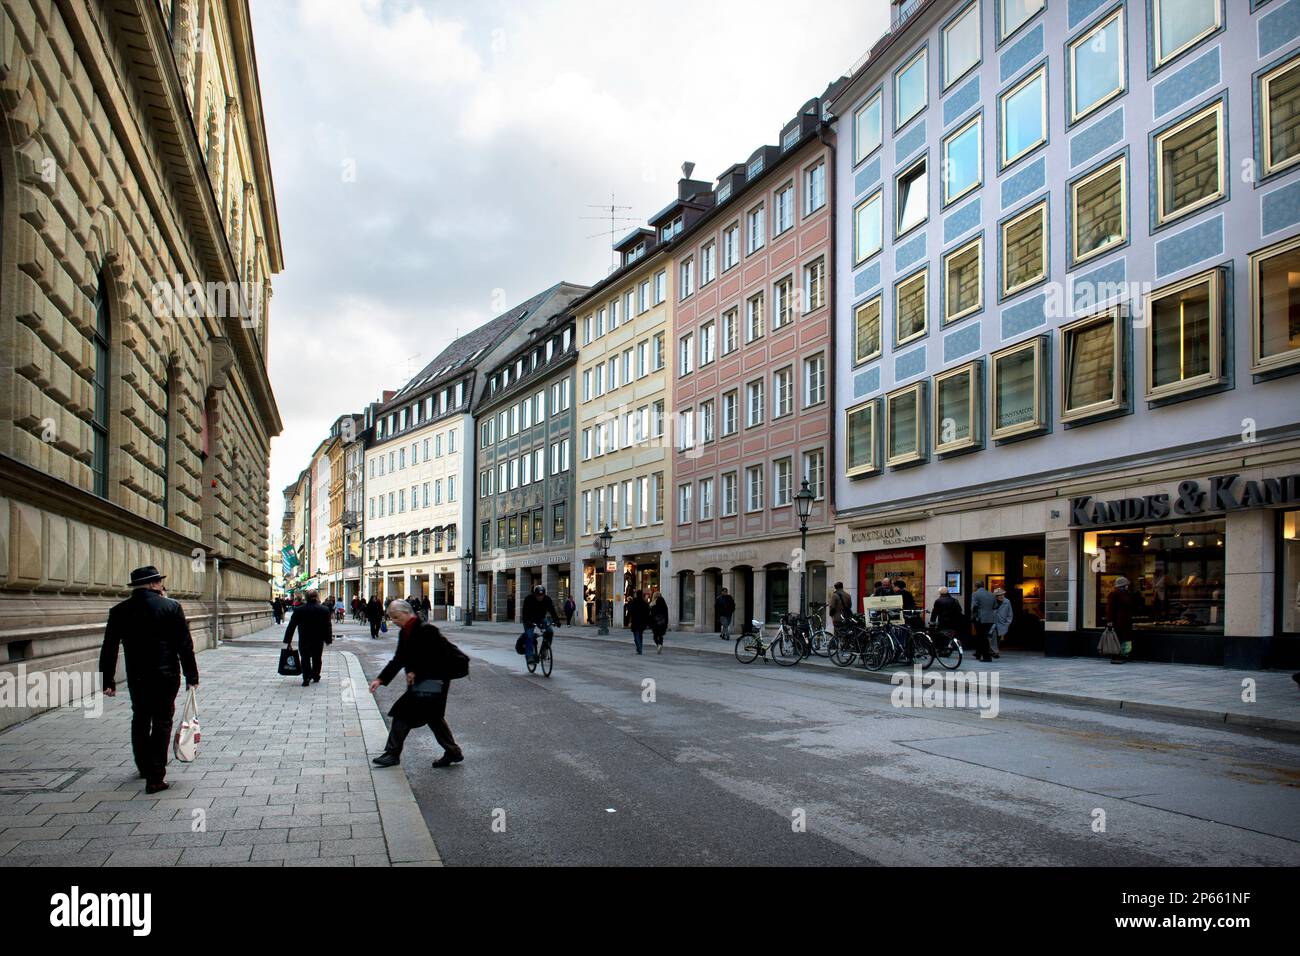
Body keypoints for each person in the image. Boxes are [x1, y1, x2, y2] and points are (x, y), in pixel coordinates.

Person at [99, 566, 199, 794]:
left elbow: (110, 648)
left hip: (137, 676)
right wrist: (191, 675)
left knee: (141, 718)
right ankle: (156, 777)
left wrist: (107, 679)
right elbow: (184, 645)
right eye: (160, 583)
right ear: (154, 584)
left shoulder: (120, 611)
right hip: (166, 676)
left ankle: (144, 766)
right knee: (163, 721)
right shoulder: (171, 607)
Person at [369, 601, 464, 768]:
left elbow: (437, 658)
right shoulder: (405, 632)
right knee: (433, 717)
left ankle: (392, 754)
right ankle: (453, 752)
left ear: (407, 613)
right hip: (425, 681)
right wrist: (380, 679)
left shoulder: (427, 630)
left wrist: (416, 671)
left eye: (396, 617)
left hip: (434, 681)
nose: (394, 621)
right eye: (392, 618)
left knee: (402, 712)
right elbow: (399, 659)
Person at [283, 589, 333, 685]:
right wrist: (328, 639)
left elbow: (291, 626)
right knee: (317, 658)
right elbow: (328, 626)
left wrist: (288, 640)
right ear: (317, 597)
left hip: (304, 638)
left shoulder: (299, 610)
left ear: (305, 598)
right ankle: (315, 675)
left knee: (305, 658)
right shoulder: (324, 610)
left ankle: (306, 677)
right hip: (318, 639)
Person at [521, 584, 561, 664]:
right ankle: (529, 656)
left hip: (541, 619)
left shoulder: (547, 599)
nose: (540, 597)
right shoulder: (529, 599)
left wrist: (556, 620)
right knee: (529, 636)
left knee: (549, 631)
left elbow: (552, 610)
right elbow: (524, 613)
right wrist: (527, 622)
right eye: (538, 595)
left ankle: (544, 649)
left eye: (542, 595)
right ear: (535, 594)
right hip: (529, 620)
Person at [1106, 576, 1134, 664]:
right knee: (1118, 638)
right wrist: (1110, 621)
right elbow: (1110, 608)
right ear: (1123, 585)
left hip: (1125, 621)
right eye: (1126, 585)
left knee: (1125, 638)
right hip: (1118, 621)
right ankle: (1116, 656)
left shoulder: (1125, 594)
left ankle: (1124, 654)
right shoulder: (1114, 594)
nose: (1128, 586)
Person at [969, 582, 996, 663]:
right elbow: (995, 606)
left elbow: (974, 606)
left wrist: (974, 616)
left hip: (980, 618)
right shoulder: (991, 594)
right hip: (990, 619)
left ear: (976, 586)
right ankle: (978, 653)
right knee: (982, 636)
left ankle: (986, 657)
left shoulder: (975, 594)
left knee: (982, 637)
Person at [989, 588, 1012, 659]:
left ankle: (993, 651)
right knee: (993, 636)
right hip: (992, 622)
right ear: (996, 596)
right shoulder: (991, 602)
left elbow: (1010, 613)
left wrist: (1007, 623)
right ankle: (995, 652)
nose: (1001, 596)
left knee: (998, 638)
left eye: (1002, 594)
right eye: (999, 595)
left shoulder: (1007, 601)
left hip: (1002, 623)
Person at [627, 589, 650, 655]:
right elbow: (647, 613)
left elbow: (631, 611)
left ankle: (639, 648)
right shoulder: (644, 603)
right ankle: (640, 648)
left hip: (635, 621)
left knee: (636, 636)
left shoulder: (634, 602)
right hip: (642, 622)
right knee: (640, 635)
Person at [649, 587, 669, 654]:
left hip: (655, 622)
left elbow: (652, 614)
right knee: (660, 635)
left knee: (655, 636)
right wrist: (666, 622)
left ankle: (658, 645)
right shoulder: (663, 603)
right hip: (663, 622)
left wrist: (650, 623)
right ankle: (660, 644)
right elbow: (666, 613)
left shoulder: (653, 604)